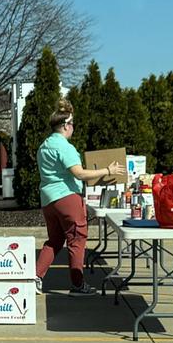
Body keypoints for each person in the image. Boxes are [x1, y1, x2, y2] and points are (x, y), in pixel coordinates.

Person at [35, 105, 120, 294]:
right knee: (77, 240)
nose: (73, 127)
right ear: (66, 125)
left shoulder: (44, 146)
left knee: (55, 240)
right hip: (67, 198)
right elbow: (79, 173)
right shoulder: (65, 147)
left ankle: (35, 276)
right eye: (72, 123)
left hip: (48, 199)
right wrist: (108, 171)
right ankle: (78, 284)